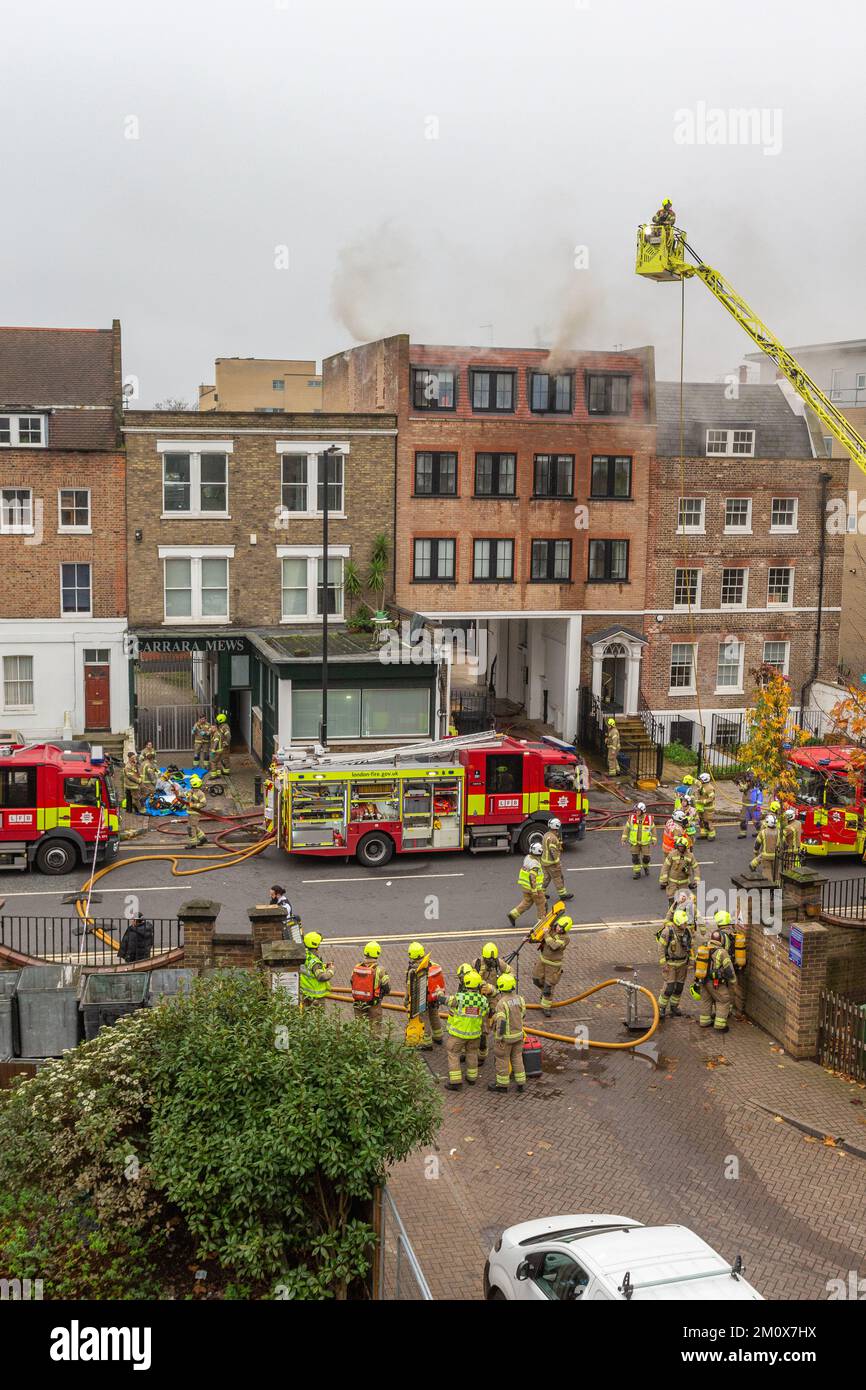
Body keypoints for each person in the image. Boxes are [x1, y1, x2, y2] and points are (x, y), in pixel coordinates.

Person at [444, 968, 489, 1091]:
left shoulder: (460, 998)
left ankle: (455, 1082)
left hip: (458, 1035)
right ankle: (472, 1078)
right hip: (475, 1035)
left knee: (453, 1054)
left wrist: (438, 995)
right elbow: (485, 1012)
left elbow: (446, 1001)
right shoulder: (483, 1000)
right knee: (472, 1054)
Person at [487, 973, 527, 1094]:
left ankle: (502, 1085)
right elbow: (523, 1015)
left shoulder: (502, 1003)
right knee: (517, 1058)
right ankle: (521, 1083)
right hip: (519, 1035)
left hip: (506, 1039)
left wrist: (498, 1038)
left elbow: (502, 1023)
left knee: (502, 1060)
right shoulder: (520, 999)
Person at [406, 941, 446, 1049]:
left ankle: (426, 1042)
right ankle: (438, 1037)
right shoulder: (434, 965)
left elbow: (410, 987)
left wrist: (407, 1000)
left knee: (424, 1019)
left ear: (411, 955)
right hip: (434, 996)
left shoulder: (414, 971)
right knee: (434, 1015)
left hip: (422, 999)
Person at [532, 912, 571, 1018]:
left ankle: (546, 1008)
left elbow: (553, 946)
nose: (559, 929)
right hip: (542, 961)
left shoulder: (565, 938)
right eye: (558, 926)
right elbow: (540, 936)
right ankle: (544, 992)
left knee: (548, 987)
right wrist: (530, 939)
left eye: (561, 929)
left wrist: (546, 934)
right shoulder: (551, 929)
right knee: (536, 979)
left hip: (553, 966)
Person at [697, 929, 736, 1032]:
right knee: (723, 1000)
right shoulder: (722, 952)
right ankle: (720, 1025)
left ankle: (704, 1022)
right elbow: (729, 968)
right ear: (721, 940)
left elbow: (697, 964)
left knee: (706, 1000)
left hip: (703, 980)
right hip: (716, 983)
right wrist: (733, 981)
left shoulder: (703, 949)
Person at [657, 907, 692, 1020]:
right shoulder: (667, 932)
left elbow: (690, 946)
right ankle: (661, 1008)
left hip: (682, 964)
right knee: (669, 988)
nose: (686, 924)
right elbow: (661, 948)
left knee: (679, 988)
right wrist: (664, 964)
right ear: (677, 921)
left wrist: (691, 960)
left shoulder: (687, 931)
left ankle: (674, 1007)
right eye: (684, 922)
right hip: (670, 965)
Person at [350, 941, 390, 1036]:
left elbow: (351, 981)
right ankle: (374, 1048)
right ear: (378, 953)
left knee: (359, 1026)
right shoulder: (380, 970)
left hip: (358, 1002)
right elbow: (387, 988)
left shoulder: (356, 967)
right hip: (374, 1003)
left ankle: (360, 1046)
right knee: (375, 1026)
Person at [507, 842, 547, 926]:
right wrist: (534, 890)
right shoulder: (535, 864)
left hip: (525, 887)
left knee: (527, 902)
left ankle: (513, 914)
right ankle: (541, 923)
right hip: (534, 888)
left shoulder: (527, 857)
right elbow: (532, 877)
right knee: (541, 904)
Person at [474, 942, 501, 1064]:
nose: (491, 962)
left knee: (489, 1027)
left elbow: (510, 975)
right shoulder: (476, 964)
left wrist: (495, 988)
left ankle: (483, 1055)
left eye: (493, 959)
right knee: (477, 1025)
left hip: (493, 998)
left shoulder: (500, 964)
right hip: (479, 999)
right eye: (488, 959)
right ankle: (477, 1051)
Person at [659, 835, 701, 902]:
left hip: (684, 883)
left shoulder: (690, 856)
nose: (680, 848)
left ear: (685, 847)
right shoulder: (672, 854)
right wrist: (664, 879)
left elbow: (695, 867)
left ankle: (682, 911)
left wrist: (697, 880)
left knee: (684, 900)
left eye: (682, 847)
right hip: (672, 882)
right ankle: (672, 912)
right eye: (679, 846)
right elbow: (665, 867)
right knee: (671, 899)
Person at [540, 817, 573, 900]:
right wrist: (557, 863)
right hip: (552, 863)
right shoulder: (553, 838)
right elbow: (553, 851)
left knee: (546, 878)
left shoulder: (546, 835)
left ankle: (541, 894)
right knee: (558, 878)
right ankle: (563, 895)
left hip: (544, 862)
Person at [622, 802, 657, 880]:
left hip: (645, 843)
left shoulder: (649, 819)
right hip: (634, 843)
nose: (636, 812)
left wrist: (654, 839)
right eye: (636, 810)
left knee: (646, 858)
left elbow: (653, 829)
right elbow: (626, 829)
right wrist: (623, 839)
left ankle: (646, 867)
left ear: (643, 811)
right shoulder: (631, 818)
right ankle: (637, 873)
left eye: (638, 810)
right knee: (635, 858)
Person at [300, 930, 334, 1008]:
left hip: (305, 993)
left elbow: (309, 969)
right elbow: (321, 977)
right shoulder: (315, 962)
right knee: (318, 1018)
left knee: (306, 1015)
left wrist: (324, 966)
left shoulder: (304, 955)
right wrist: (331, 971)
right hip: (316, 996)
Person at [751, 813, 780, 883]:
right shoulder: (779, 832)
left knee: (767, 871)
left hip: (766, 856)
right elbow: (784, 843)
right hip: (776, 856)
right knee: (776, 873)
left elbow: (757, 844)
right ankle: (777, 889)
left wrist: (755, 852)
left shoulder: (763, 832)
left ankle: (768, 888)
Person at [185, 774, 207, 847]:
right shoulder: (191, 791)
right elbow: (184, 795)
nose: (190, 786)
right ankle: (202, 838)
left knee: (191, 828)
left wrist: (194, 805)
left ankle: (193, 843)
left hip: (195, 813)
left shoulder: (200, 794)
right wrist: (176, 792)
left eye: (191, 784)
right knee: (193, 826)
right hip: (190, 813)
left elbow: (203, 804)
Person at [738, 774, 763, 839]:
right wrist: (740, 784)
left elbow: (760, 798)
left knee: (756, 821)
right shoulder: (746, 787)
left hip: (754, 807)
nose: (748, 782)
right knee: (743, 820)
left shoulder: (757, 789)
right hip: (745, 807)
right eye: (747, 780)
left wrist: (758, 806)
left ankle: (759, 832)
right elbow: (741, 789)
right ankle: (743, 833)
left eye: (749, 781)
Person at [694, 772, 716, 841]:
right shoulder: (702, 785)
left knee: (707, 821)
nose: (700, 781)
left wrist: (701, 801)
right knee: (701, 820)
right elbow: (697, 783)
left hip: (708, 808)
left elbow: (711, 798)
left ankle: (712, 834)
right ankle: (703, 834)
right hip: (701, 807)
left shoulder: (709, 788)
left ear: (705, 780)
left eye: (701, 779)